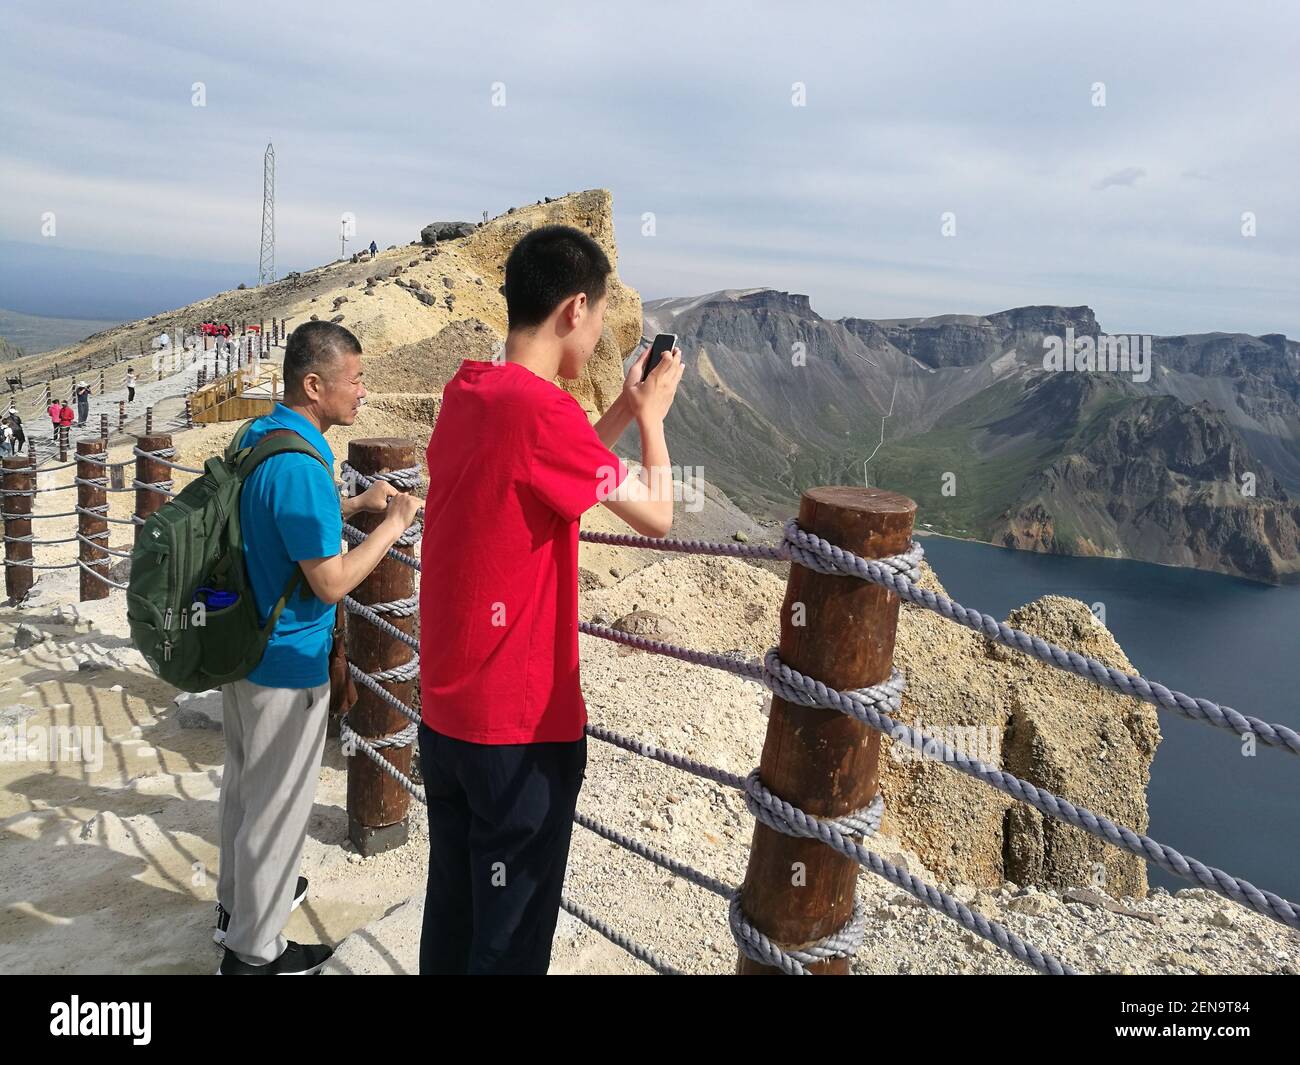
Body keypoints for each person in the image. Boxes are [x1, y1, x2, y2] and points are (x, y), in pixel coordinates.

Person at [417, 224, 683, 974]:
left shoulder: (471, 390)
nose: (598, 338)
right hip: (520, 730)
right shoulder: (544, 413)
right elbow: (658, 514)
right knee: (509, 942)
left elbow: (558, 465)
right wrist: (653, 419)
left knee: (454, 916)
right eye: (598, 318)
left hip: (448, 719)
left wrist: (623, 408)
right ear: (575, 309)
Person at [215, 321, 422, 976]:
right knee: (277, 809)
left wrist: (353, 503)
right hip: (288, 662)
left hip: (242, 646)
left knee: (244, 790)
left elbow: (280, 519)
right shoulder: (304, 467)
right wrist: (391, 525)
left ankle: (234, 911)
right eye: (354, 379)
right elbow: (330, 581)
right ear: (314, 384)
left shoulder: (261, 435)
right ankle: (253, 955)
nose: (363, 391)